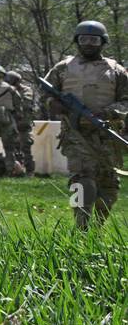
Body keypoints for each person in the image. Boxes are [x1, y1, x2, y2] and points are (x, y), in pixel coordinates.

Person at [43, 21, 128, 228]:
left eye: (94, 39)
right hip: (75, 134)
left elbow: (126, 100)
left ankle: (96, 228)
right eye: (84, 39)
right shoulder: (63, 68)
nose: (89, 44)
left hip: (107, 134)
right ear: (76, 41)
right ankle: (81, 226)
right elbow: (46, 93)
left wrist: (107, 112)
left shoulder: (116, 70)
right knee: (81, 179)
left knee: (109, 185)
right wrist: (55, 105)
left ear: (103, 42)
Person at [4, 69, 36, 175]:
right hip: (11, 124)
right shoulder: (8, 92)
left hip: (24, 124)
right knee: (11, 149)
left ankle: (29, 171)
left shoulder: (26, 91)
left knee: (26, 148)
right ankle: (15, 170)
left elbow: (26, 104)